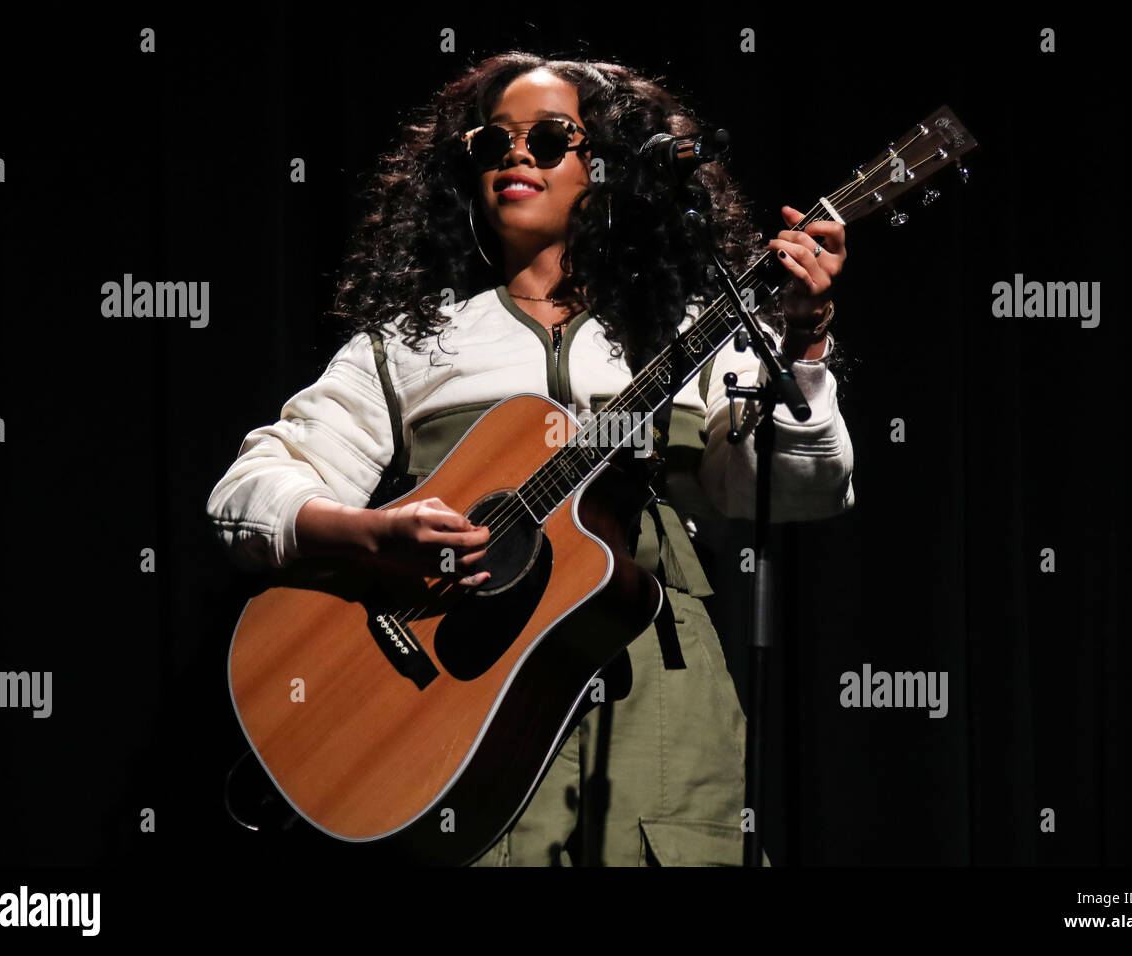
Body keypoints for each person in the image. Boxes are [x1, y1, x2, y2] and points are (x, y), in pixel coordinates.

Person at [206, 51, 854, 866]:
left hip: (658, 694)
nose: (517, 155)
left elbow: (799, 492)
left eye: (550, 138)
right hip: (458, 711)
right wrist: (374, 534)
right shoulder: (412, 346)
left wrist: (804, 342)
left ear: (608, 165)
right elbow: (249, 495)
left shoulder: (698, 328)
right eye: (493, 142)